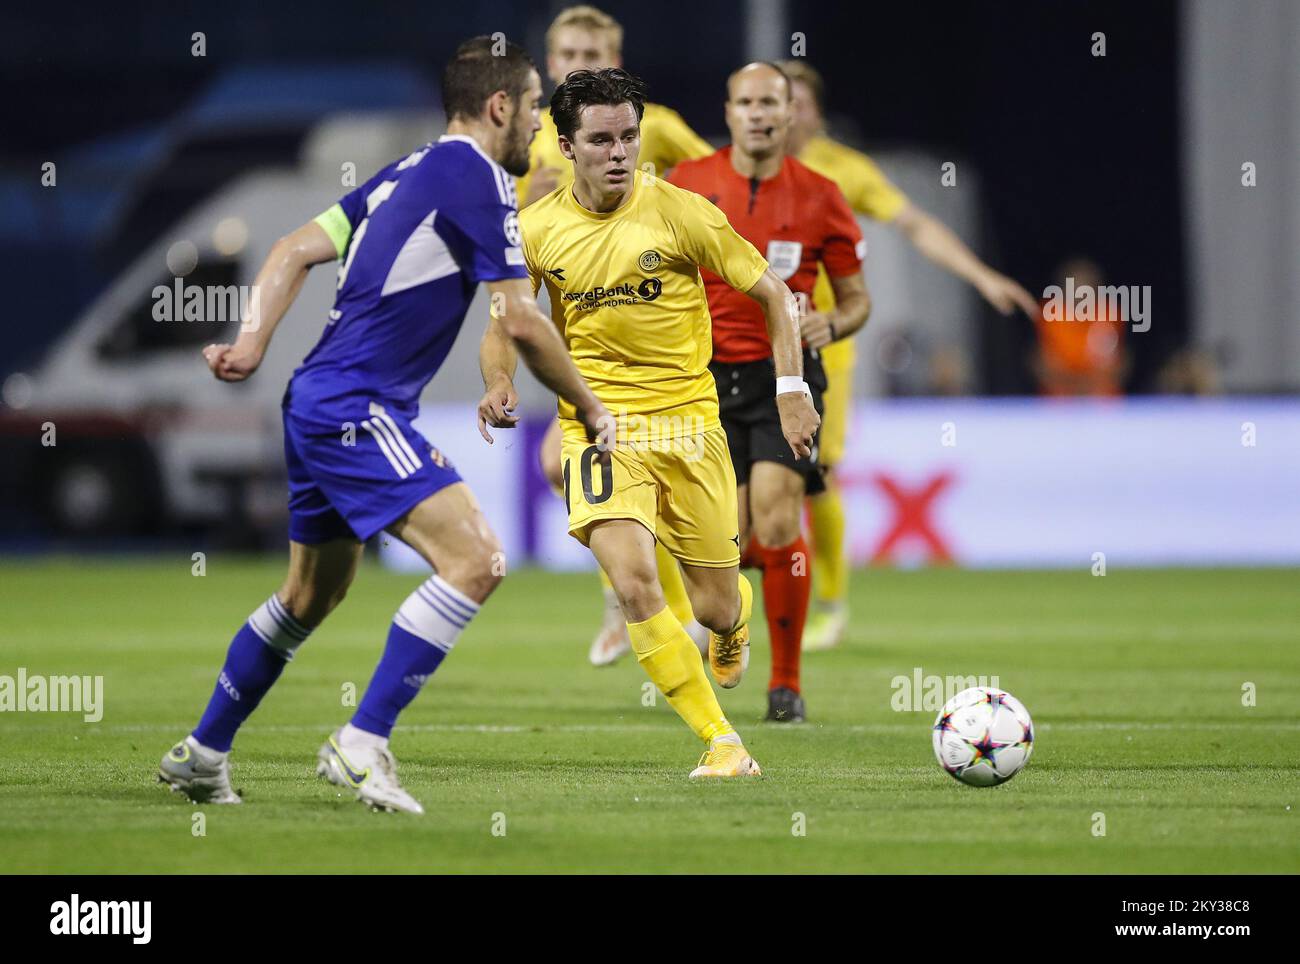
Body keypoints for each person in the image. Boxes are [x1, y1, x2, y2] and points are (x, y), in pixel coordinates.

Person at [158, 37, 610, 814]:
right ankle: (362, 741)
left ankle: (203, 752)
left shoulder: (407, 170)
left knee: (309, 596)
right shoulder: (476, 177)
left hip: (314, 401)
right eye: (535, 106)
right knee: (477, 560)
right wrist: (594, 408)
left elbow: (292, 248)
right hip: (355, 407)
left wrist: (251, 342)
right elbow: (522, 321)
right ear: (499, 106)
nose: (539, 124)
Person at [480, 67, 818, 776]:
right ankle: (723, 742)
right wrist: (500, 380)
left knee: (716, 607)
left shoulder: (680, 212)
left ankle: (736, 614)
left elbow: (773, 291)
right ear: (566, 147)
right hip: (599, 426)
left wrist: (790, 387)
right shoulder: (535, 229)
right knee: (634, 582)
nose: (619, 152)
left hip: (691, 427)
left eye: (628, 137)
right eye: (601, 139)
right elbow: (504, 318)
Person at [779, 60, 1038, 651]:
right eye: (771, 99)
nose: (781, 111)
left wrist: (980, 275)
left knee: (815, 475)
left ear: (816, 111)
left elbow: (916, 225)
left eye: (794, 100)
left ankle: (830, 603)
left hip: (820, 346)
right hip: (742, 342)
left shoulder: (845, 172)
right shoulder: (741, 169)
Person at [670, 62, 871, 723]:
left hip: (784, 376)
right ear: (727, 113)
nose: (758, 114)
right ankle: (732, 612)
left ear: (791, 115)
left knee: (781, 518)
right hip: (701, 377)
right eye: (746, 102)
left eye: (771, 103)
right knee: (726, 543)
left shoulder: (822, 194)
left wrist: (831, 322)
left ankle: (786, 685)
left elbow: (857, 300)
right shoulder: (689, 183)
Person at [520, 4, 717, 667]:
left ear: (617, 62)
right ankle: (635, 595)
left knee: (566, 465)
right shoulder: (536, 141)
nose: (580, 65)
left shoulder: (650, 126)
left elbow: (719, 179)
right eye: (570, 55)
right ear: (552, 64)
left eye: (593, 56)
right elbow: (505, 236)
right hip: (576, 349)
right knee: (566, 468)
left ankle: (643, 602)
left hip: (654, 347)